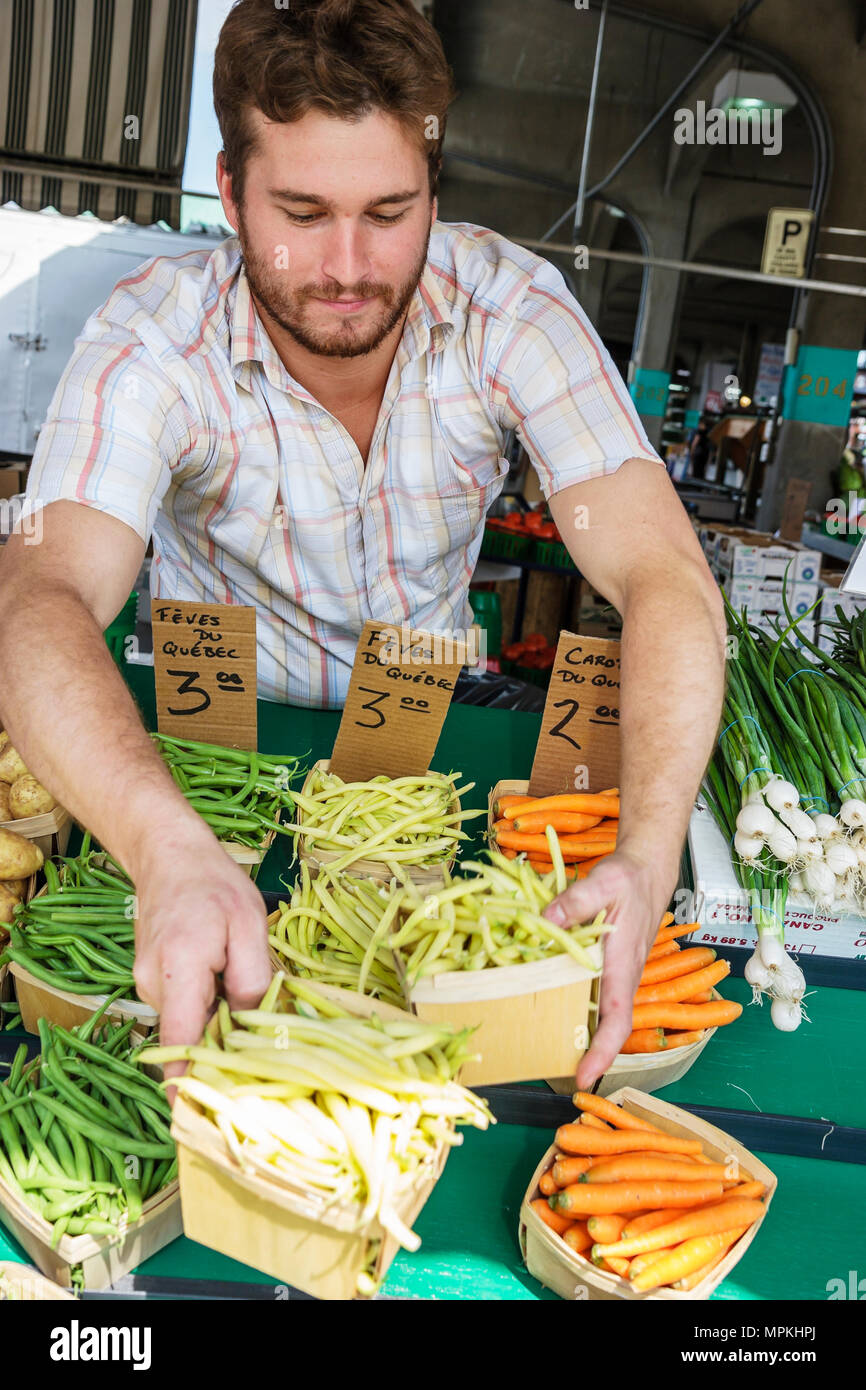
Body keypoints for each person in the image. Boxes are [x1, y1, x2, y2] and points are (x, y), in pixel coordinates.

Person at [0, 0, 725, 1089]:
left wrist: (648, 841)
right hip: (207, 756)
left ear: (435, 192)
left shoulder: (507, 309)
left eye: (389, 210)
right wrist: (164, 849)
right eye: (300, 208)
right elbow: (37, 596)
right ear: (231, 190)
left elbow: (663, 576)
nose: (347, 265)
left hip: (420, 753)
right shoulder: (155, 335)